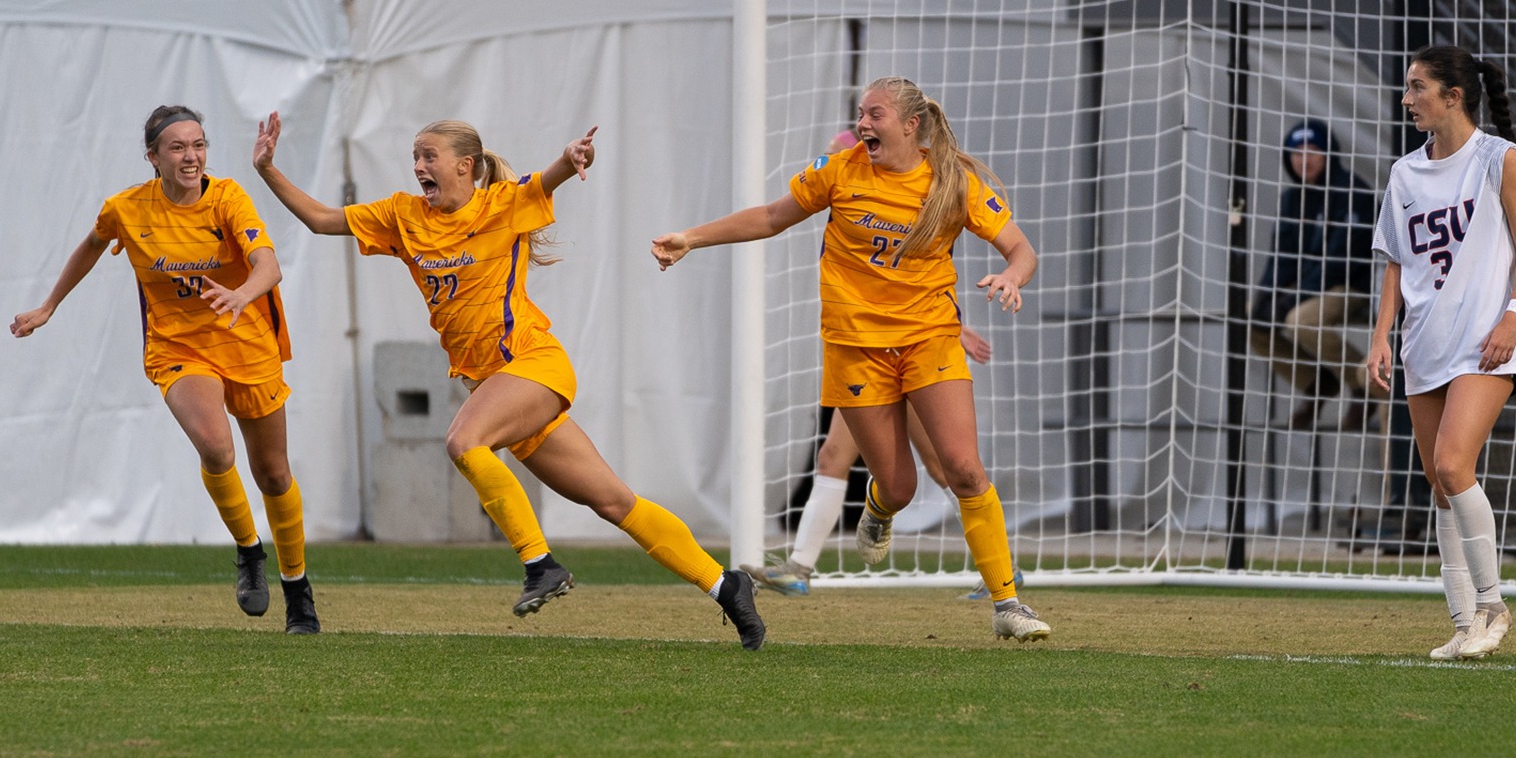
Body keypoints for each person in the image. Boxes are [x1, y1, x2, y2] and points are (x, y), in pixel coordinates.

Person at [255, 116, 766, 650]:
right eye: (415, 156)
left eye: (429, 156)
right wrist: (269, 168)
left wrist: (570, 160)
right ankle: (727, 586)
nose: (418, 166)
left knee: (462, 441)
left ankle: (539, 565)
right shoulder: (402, 216)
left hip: (534, 365)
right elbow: (319, 219)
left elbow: (547, 180)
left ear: (465, 166)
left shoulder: (501, 205)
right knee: (615, 502)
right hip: (498, 390)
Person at [653, 76, 1050, 642]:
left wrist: (1012, 277)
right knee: (899, 485)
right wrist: (691, 237)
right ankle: (879, 507)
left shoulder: (952, 183)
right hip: (855, 347)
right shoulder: (839, 170)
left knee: (963, 468)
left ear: (911, 126)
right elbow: (770, 216)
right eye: (861, 114)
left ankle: (1008, 604)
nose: (863, 124)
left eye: (876, 115)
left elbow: (1020, 248)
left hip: (930, 338)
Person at [12, 106, 319, 634]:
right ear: (153, 157)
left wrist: (243, 294)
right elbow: (90, 247)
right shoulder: (127, 209)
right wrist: (49, 306)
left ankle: (299, 591)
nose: (191, 156)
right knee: (216, 448)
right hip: (179, 347)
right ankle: (249, 553)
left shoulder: (227, 198)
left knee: (273, 473)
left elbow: (268, 264)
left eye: (198, 144)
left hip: (247, 343)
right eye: (177, 147)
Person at [1366, 45, 1516, 661]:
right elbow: (1393, 259)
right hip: (1424, 345)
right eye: (1407, 88)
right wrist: (1382, 334)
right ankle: (1464, 621)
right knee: (1438, 486)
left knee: (1453, 466)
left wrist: (1511, 318)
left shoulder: (1500, 159)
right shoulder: (1404, 173)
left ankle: (1494, 607)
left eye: (1416, 88)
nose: (1407, 99)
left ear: (1452, 97)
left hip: (1484, 344)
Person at [746, 329, 1004, 598]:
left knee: (943, 468)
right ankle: (798, 568)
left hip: (904, 358)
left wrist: (953, 325)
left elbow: (910, 291)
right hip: (869, 358)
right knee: (831, 457)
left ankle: (1001, 563)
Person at [1249, 119, 1380, 431]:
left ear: (1328, 154)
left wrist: (1293, 296)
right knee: (1247, 320)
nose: (1303, 159)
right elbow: (1281, 257)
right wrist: (1265, 297)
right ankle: (1317, 382)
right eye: (1296, 152)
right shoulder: (1293, 198)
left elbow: (1340, 261)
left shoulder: (1353, 192)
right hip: (1310, 285)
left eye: (1312, 151)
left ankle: (1362, 385)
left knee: (1300, 320)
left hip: (1350, 286)